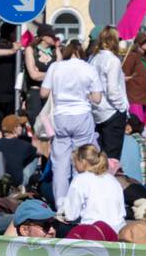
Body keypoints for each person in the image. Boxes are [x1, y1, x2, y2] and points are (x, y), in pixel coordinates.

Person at [41, 39, 103, 194]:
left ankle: (61, 204)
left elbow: (43, 93)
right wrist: (85, 95)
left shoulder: (55, 67)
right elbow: (97, 98)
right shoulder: (89, 68)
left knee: (60, 163)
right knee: (82, 159)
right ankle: (79, 200)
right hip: (82, 116)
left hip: (61, 117)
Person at [59, 143, 127, 234]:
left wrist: (59, 213)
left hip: (94, 231)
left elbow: (69, 214)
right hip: (118, 229)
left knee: (58, 226)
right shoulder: (112, 179)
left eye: (74, 162)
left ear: (83, 162)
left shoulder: (81, 179)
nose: (74, 166)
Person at [89, 27, 129, 158]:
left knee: (100, 154)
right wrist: (122, 107)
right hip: (112, 111)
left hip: (98, 111)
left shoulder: (94, 59)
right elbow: (112, 89)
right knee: (112, 157)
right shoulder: (113, 60)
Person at [0, 114, 37, 188]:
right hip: (17, 183)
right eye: (20, 126)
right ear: (15, 128)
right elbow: (39, 152)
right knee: (35, 156)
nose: (22, 128)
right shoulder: (24, 145)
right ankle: (24, 186)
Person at [23, 25, 58, 124]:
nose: (54, 38)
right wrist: (52, 74)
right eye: (51, 36)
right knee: (37, 126)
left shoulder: (55, 51)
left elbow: (60, 73)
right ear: (43, 37)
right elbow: (33, 75)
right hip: (35, 94)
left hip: (51, 94)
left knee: (52, 127)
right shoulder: (31, 50)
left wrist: (41, 74)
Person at [122, 31, 146, 122]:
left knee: (143, 124)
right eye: (144, 41)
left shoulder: (145, 57)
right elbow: (125, 75)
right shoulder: (132, 56)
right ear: (138, 43)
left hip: (145, 97)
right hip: (135, 97)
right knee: (137, 124)